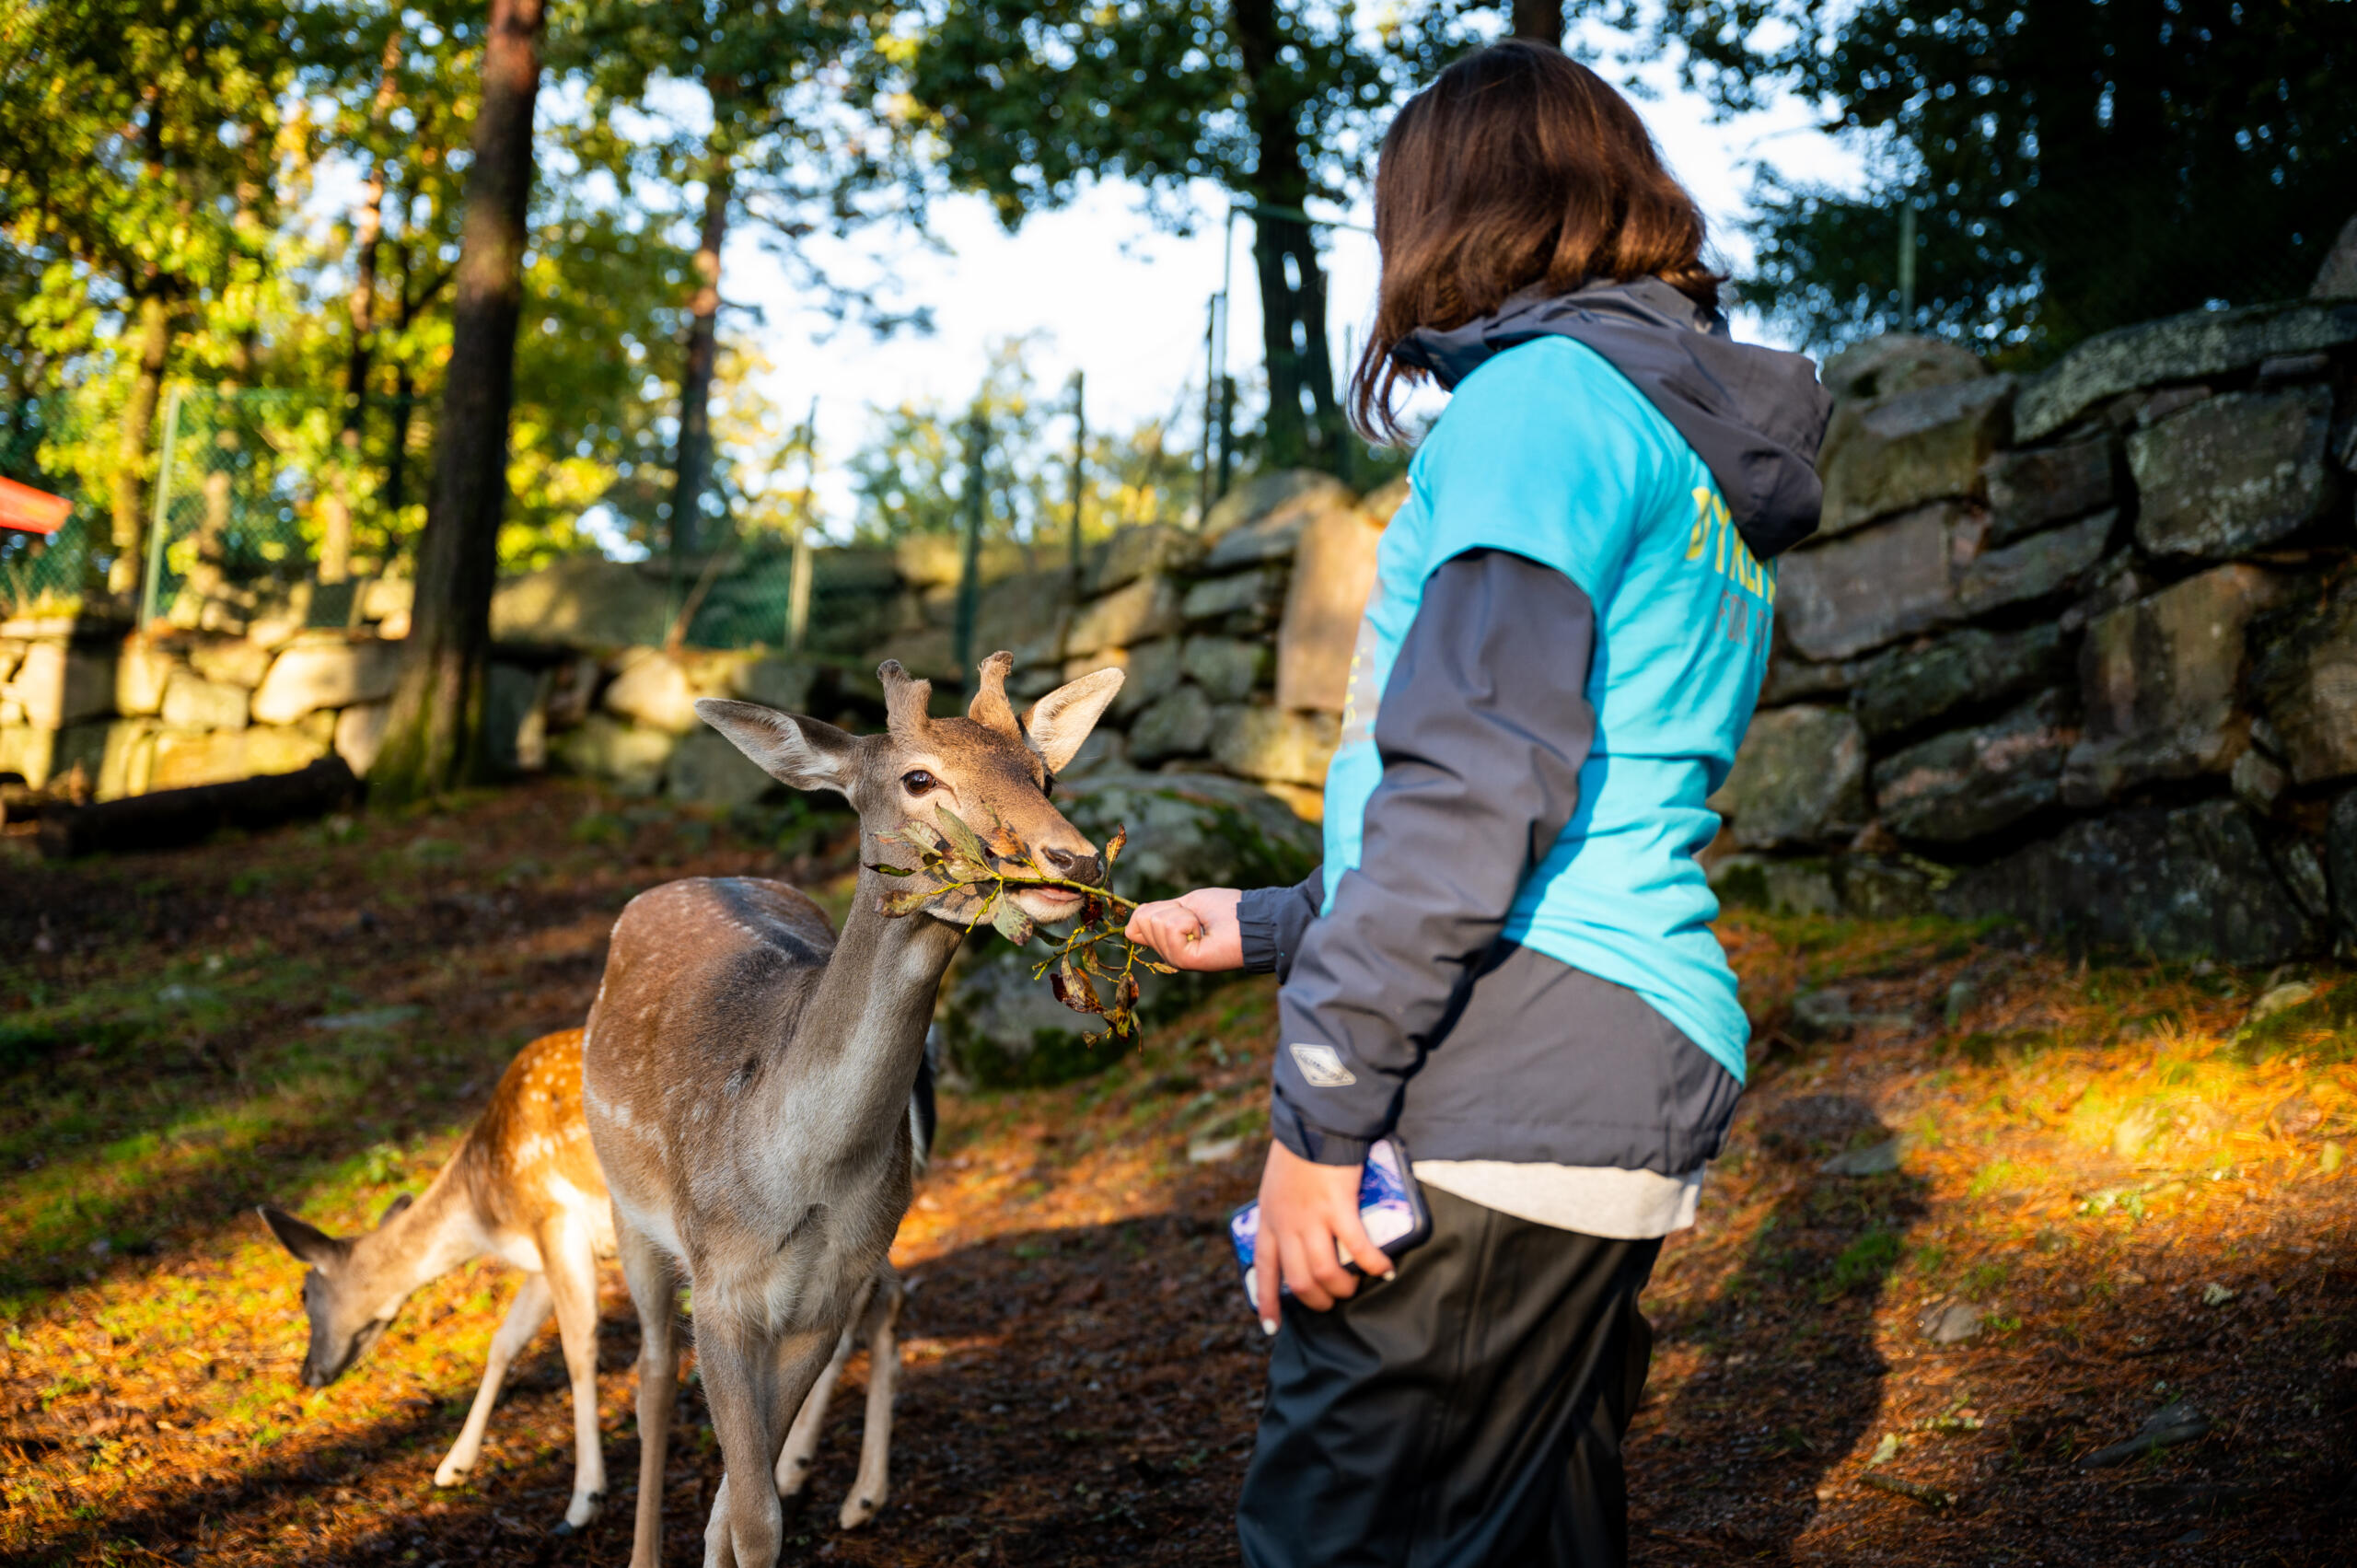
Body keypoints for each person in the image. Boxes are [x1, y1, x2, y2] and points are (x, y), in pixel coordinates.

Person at [1122, 40, 1832, 1568]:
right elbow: (1563, 792)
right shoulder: (1674, 443)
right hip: (1621, 1055)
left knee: (1344, 1541)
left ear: (1451, 213)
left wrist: (1319, 1125)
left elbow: (1471, 790)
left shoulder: (1537, 408)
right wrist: (1265, 924)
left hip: (1501, 1073)